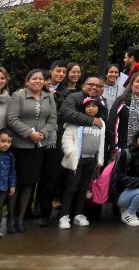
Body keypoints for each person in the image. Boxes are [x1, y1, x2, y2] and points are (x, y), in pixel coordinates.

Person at [5, 69, 58, 233]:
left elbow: (53, 120)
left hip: (38, 147)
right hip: (21, 146)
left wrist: (43, 134)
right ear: (27, 81)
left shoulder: (48, 97)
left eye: (41, 79)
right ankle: (11, 219)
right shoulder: (18, 95)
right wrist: (30, 133)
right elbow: (12, 119)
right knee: (17, 184)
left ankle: (21, 219)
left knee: (30, 183)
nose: (38, 81)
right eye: (34, 78)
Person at [58, 96, 106, 229]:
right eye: (88, 106)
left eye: (94, 106)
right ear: (83, 108)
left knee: (83, 188)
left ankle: (79, 214)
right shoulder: (76, 121)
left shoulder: (100, 122)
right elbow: (66, 139)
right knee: (71, 187)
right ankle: (64, 216)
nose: (91, 109)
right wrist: (72, 153)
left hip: (91, 161)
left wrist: (100, 160)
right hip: (76, 161)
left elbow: (101, 143)